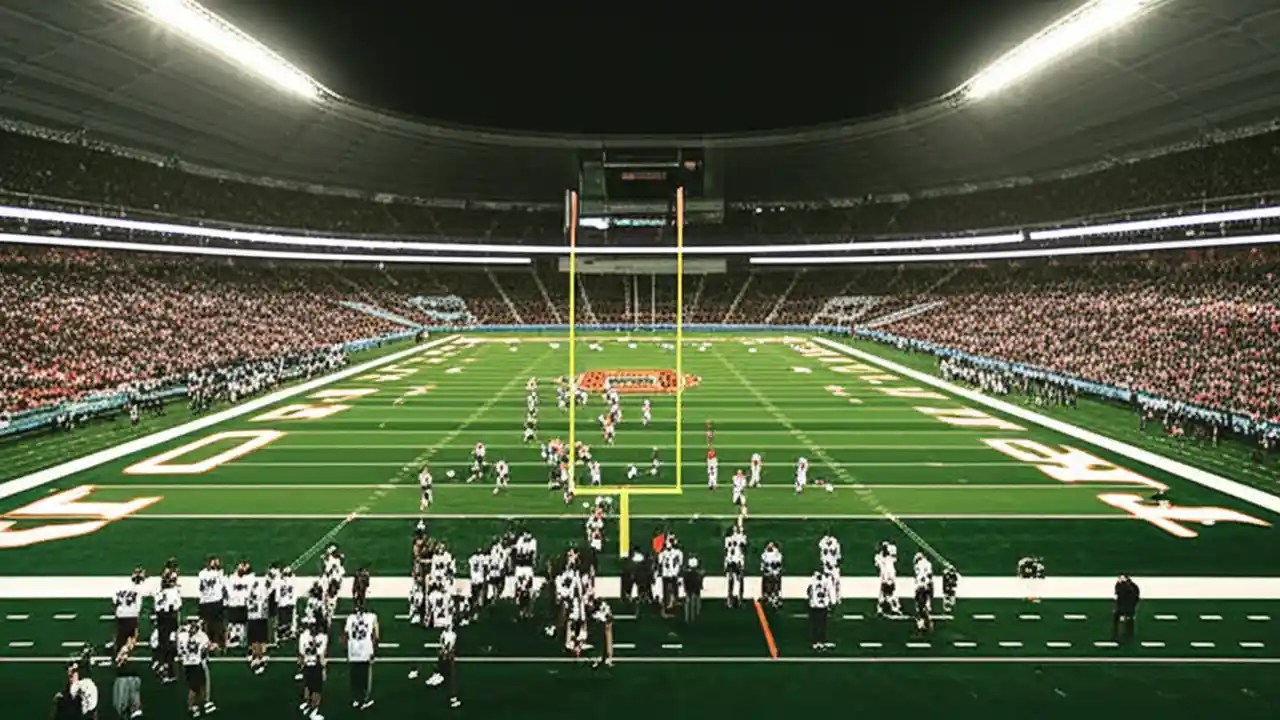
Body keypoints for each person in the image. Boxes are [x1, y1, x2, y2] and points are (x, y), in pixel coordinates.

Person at [344, 602, 379, 710]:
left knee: (355, 677)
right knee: (365, 678)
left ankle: (356, 699)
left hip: (353, 651)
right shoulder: (372, 617)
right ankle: (365, 700)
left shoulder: (350, 618)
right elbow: (376, 636)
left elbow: (345, 635)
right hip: (365, 651)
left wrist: (347, 648)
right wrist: (374, 649)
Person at [1113, 575, 1141, 642]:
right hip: (1127, 604)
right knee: (1127, 617)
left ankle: (1127, 632)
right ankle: (1127, 632)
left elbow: (1119, 593)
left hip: (1127, 604)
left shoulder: (1130, 586)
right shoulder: (1132, 586)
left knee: (1127, 617)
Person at [682, 557, 704, 623]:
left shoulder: (686, 573)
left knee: (688, 601)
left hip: (689, 586)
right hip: (695, 586)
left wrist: (685, 588)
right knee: (696, 599)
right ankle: (696, 614)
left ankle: (687, 617)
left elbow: (685, 581)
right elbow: (700, 578)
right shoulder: (698, 573)